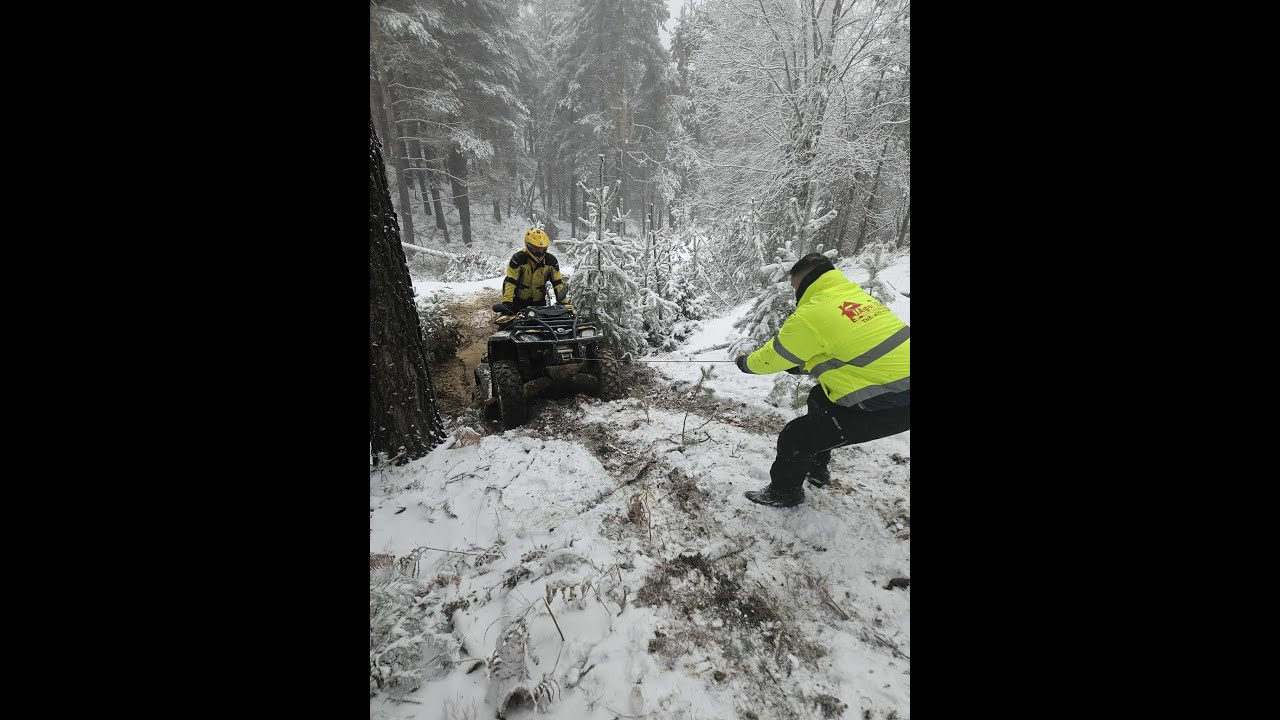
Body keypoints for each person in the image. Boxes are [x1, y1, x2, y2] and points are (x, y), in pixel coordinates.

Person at [735, 253, 910, 507]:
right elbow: (850, 352)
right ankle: (817, 471)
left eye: (794, 287)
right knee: (820, 397)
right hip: (895, 386)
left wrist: (743, 363)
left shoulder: (809, 315)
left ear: (805, 282)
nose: (794, 294)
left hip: (894, 400)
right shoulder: (855, 297)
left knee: (795, 437)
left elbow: (770, 359)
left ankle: (785, 493)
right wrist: (802, 367)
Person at [501, 228, 571, 314]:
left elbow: (558, 283)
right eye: (535, 248)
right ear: (528, 246)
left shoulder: (551, 261)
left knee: (546, 325)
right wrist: (507, 303)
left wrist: (564, 303)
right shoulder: (518, 259)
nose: (538, 252)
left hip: (539, 304)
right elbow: (510, 282)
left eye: (541, 249)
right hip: (518, 303)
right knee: (507, 324)